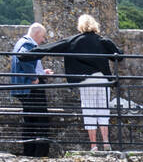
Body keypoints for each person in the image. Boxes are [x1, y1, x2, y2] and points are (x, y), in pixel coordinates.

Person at [37, 14, 123, 151]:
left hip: (86, 81)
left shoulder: (73, 41)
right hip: (102, 79)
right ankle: (106, 142)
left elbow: (52, 47)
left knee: (89, 111)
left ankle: (94, 145)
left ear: (80, 26)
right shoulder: (102, 41)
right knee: (103, 110)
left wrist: (29, 54)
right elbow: (119, 56)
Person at [10, 22, 52, 156]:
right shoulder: (28, 44)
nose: (43, 40)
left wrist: (41, 72)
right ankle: (40, 153)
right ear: (37, 34)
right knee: (41, 120)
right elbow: (24, 58)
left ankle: (30, 152)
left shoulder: (21, 42)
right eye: (43, 37)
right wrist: (34, 78)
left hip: (25, 88)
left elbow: (27, 62)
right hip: (31, 88)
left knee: (30, 120)